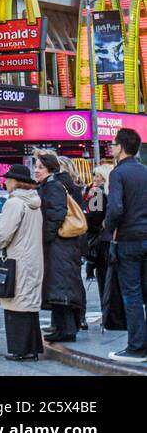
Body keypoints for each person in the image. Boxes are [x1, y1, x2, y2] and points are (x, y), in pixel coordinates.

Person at [105, 128, 147, 362]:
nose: (111, 148)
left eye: (112, 144)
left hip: (128, 239)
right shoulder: (145, 171)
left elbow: (115, 208)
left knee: (131, 294)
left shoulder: (118, 173)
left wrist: (110, 228)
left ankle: (136, 347)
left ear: (121, 147)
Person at [0, 164, 45, 360]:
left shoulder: (14, 203)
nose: (5, 182)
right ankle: (32, 347)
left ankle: (20, 349)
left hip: (17, 259)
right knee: (28, 304)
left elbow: (5, 233)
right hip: (33, 258)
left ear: (15, 182)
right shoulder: (34, 202)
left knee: (15, 304)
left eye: (8, 179)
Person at [35, 152, 85, 344]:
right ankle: (63, 328)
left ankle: (67, 330)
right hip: (59, 245)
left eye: (40, 167)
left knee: (60, 286)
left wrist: (46, 236)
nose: (37, 171)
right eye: (36, 167)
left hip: (60, 245)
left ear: (50, 169)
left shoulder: (53, 186)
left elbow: (57, 213)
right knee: (58, 286)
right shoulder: (49, 185)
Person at [85, 164, 112, 311]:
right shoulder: (113, 192)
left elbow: (93, 218)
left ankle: (107, 314)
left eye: (97, 175)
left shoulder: (97, 193)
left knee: (103, 279)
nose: (94, 178)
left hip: (100, 242)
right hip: (112, 240)